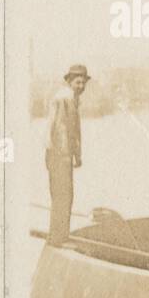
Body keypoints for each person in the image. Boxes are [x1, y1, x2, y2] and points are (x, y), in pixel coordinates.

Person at [45, 64, 89, 245]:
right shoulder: (66, 98)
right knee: (63, 195)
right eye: (78, 82)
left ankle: (58, 235)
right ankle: (58, 238)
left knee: (61, 194)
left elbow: (69, 129)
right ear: (70, 82)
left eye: (83, 83)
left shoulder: (66, 97)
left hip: (58, 152)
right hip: (59, 153)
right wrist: (76, 154)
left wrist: (75, 154)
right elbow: (63, 127)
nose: (81, 86)